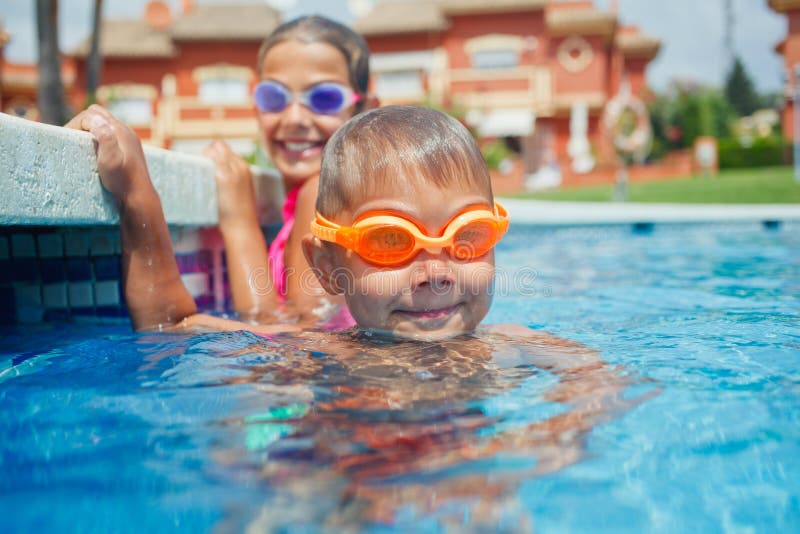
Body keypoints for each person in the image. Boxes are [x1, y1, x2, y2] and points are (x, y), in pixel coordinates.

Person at [65, 104, 643, 527]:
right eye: (391, 240)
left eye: (467, 235)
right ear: (326, 265)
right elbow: (168, 327)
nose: (437, 270)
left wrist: (520, 451)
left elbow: (604, 385)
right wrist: (137, 190)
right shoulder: (319, 352)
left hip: (472, 484)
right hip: (330, 484)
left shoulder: (515, 343)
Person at [203, 16, 375, 325]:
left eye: (324, 98)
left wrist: (239, 221)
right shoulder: (324, 193)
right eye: (274, 97)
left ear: (364, 109)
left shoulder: (323, 192)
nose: (294, 117)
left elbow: (295, 335)